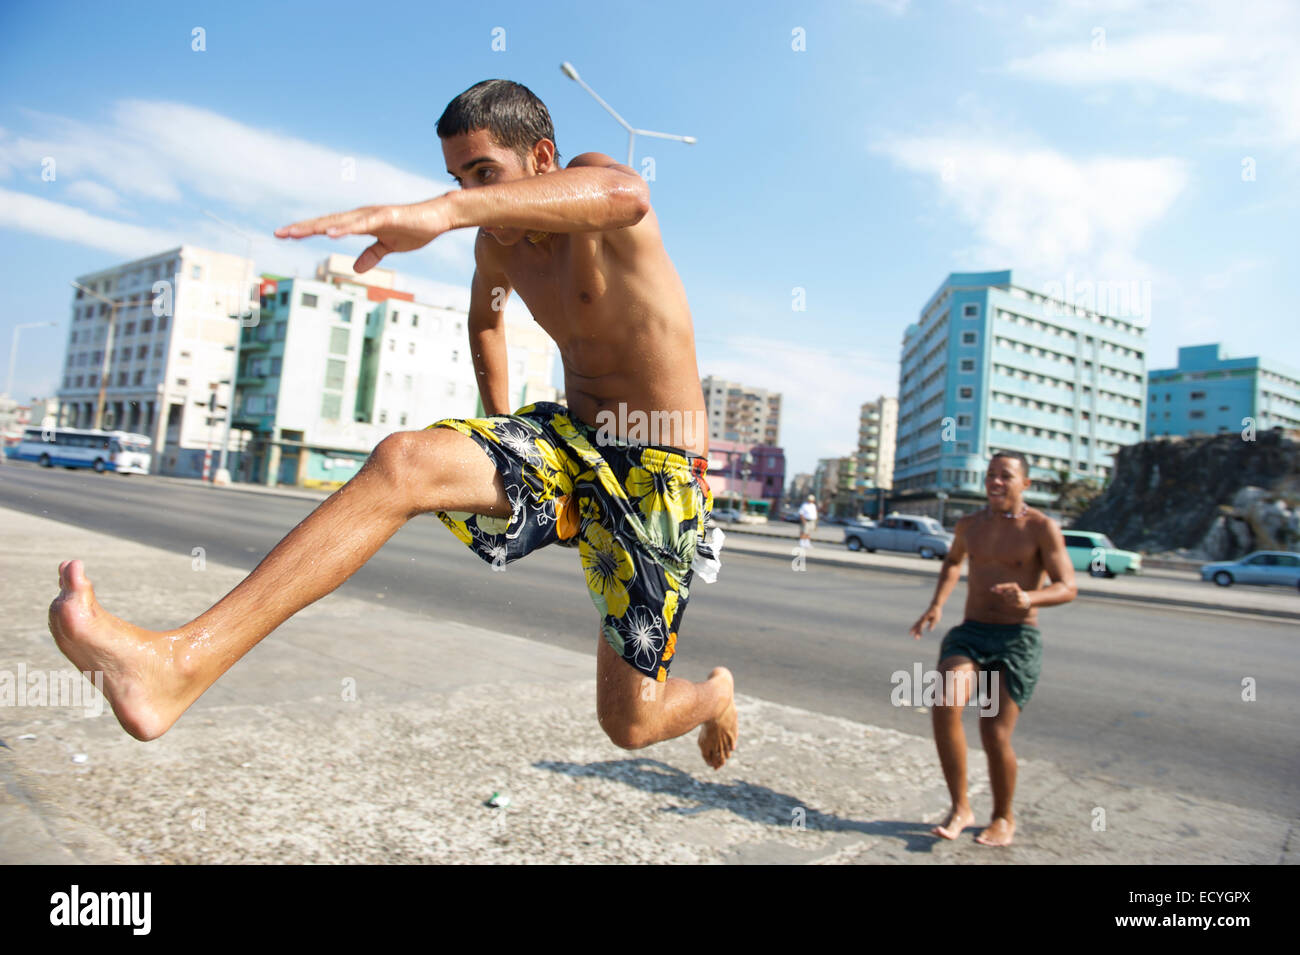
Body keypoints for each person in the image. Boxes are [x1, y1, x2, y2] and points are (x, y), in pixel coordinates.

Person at [47, 79, 739, 770]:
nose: (471, 193)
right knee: (402, 462)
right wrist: (508, 445)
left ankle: (714, 694)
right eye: (457, 177)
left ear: (543, 157)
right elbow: (486, 322)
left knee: (631, 722)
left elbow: (630, 198)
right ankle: (175, 666)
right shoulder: (497, 250)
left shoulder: (593, 183)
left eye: (483, 173)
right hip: (571, 440)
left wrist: (442, 210)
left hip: (663, 463)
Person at [908, 451, 1077, 845]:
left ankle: (1003, 816)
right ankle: (960, 807)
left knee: (994, 732)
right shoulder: (970, 524)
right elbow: (953, 561)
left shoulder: (1041, 528)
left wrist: (1029, 598)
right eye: (990, 476)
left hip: (1016, 638)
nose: (996, 483)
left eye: (1006, 476)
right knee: (945, 704)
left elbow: (1068, 586)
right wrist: (936, 604)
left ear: (1025, 484)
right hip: (971, 632)